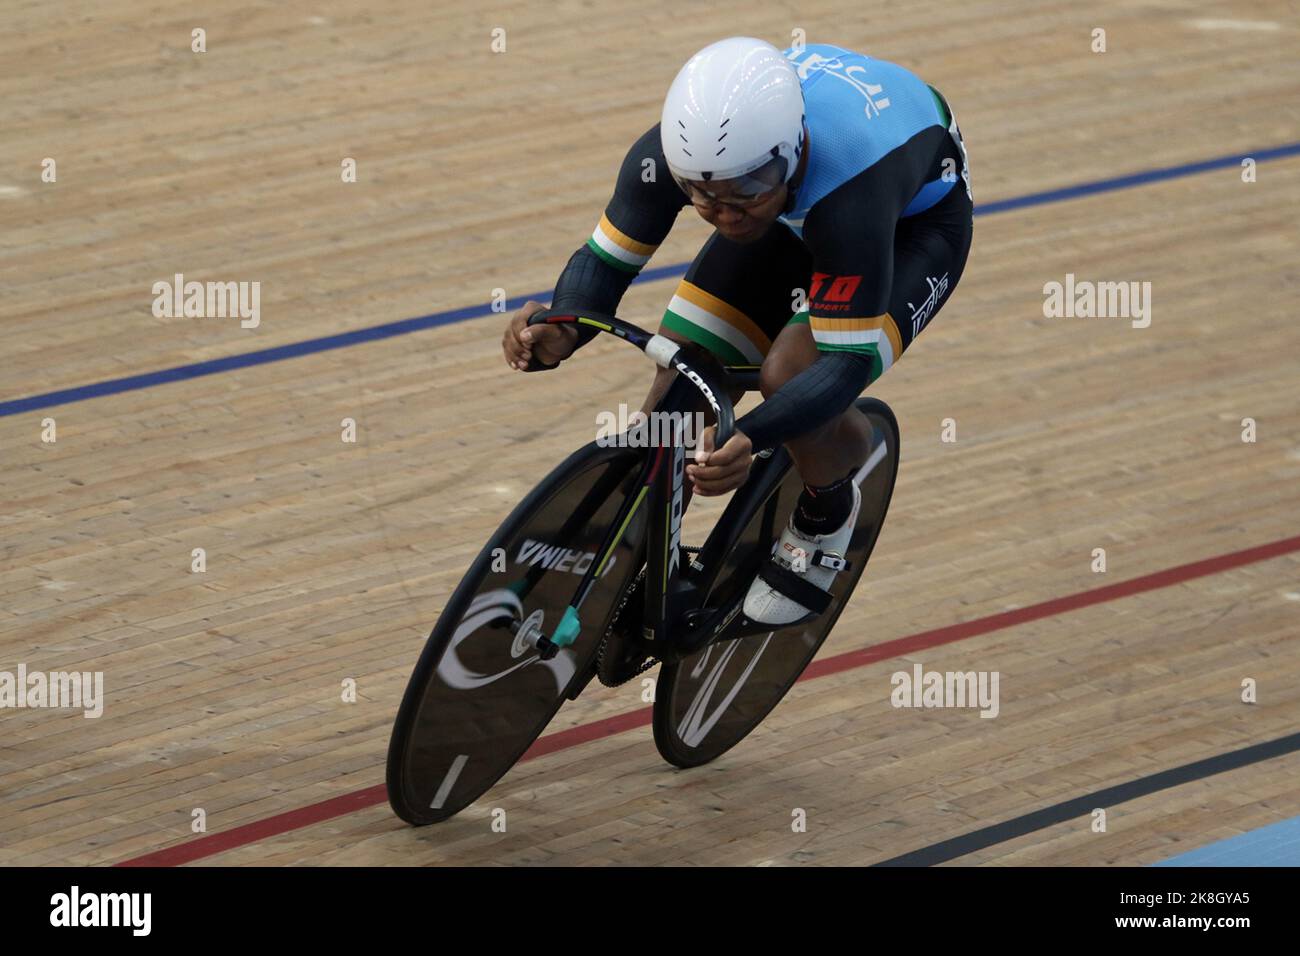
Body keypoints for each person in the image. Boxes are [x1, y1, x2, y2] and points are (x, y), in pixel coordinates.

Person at [501, 37, 973, 626]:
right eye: (701, 196)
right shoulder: (681, 159)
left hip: (911, 228)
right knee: (680, 382)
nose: (724, 214)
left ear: (792, 150)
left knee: (790, 373)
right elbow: (605, 261)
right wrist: (565, 325)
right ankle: (635, 552)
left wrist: (749, 434)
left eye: (744, 192)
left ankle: (829, 508)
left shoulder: (851, 192)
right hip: (793, 211)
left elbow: (845, 364)